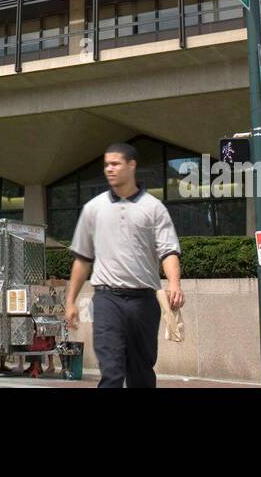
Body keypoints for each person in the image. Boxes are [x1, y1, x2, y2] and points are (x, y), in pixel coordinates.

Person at [65, 142, 184, 389]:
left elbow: (168, 251)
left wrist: (174, 283)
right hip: (108, 300)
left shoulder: (154, 208)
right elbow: (82, 259)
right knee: (112, 370)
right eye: (107, 164)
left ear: (132, 165)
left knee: (141, 373)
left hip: (144, 302)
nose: (110, 169)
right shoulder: (93, 209)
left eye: (116, 163)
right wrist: (70, 301)